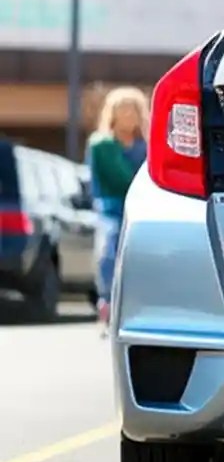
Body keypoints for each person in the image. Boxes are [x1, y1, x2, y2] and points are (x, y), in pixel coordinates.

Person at [86, 86, 150, 328]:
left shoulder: (147, 146)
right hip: (110, 208)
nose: (128, 115)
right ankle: (108, 303)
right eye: (122, 110)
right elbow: (109, 181)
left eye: (132, 109)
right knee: (108, 252)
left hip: (141, 208)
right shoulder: (101, 145)